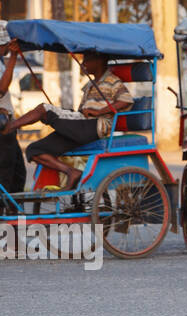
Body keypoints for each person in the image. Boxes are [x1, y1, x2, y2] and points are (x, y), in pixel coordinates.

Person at [1, 50, 132, 196]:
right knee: (34, 150)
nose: (83, 65)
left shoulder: (112, 81)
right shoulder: (90, 84)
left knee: (44, 109)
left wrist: (100, 112)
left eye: (87, 60)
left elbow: (126, 100)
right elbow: (81, 111)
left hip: (95, 126)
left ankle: (10, 126)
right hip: (81, 126)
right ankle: (72, 172)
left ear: (99, 61)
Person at [0, 38, 26, 199]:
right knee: (6, 173)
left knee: (18, 173)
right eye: (4, 44)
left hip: (7, 124)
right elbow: (1, 89)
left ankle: (12, 212)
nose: (7, 47)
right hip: (3, 127)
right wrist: (14, 57)